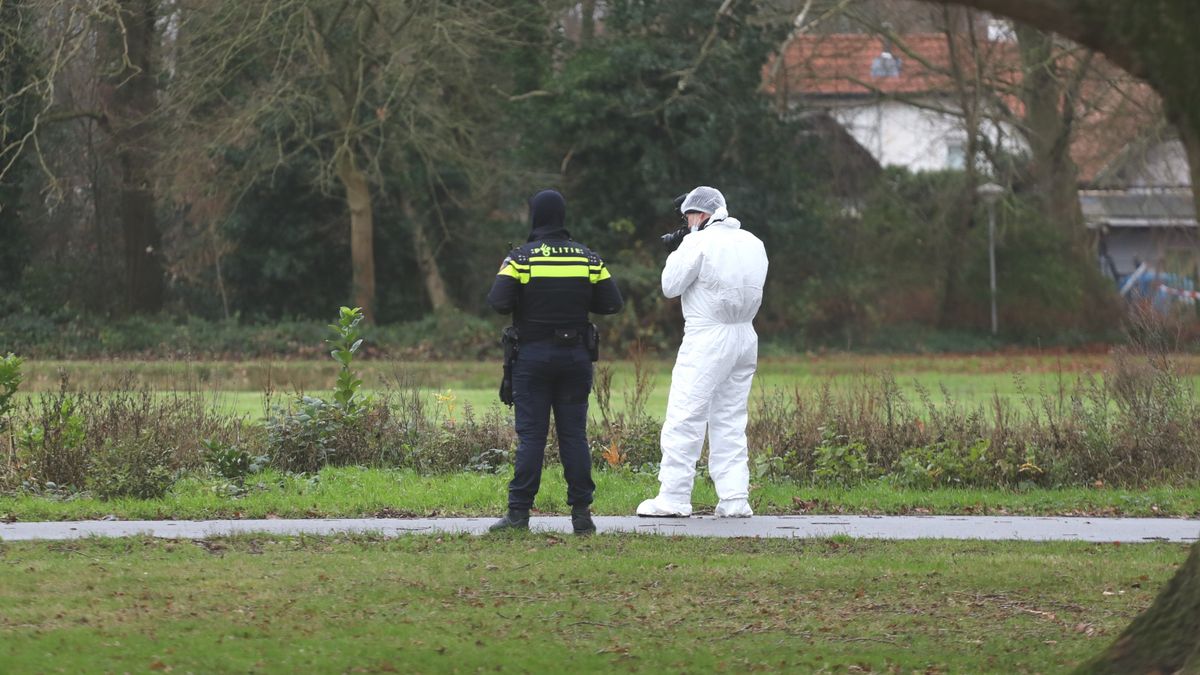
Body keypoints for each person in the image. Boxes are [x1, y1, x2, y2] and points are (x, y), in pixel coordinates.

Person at [486, 189, 623, 534]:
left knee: (532, 437)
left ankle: (518, 514)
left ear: (536, 216)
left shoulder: (521, 258)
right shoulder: (588, 258)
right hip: (576, 357)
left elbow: (498, 303)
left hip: (532, 358)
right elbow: (612, 303)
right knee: (574, 436)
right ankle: (582, 516)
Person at [637, 186, 768, 518]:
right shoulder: (753, 242)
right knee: (730, 419)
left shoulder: (699, 242)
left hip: (708, 336)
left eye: (687, 217)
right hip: (745, 336)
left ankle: (674, 497)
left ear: (699, 215)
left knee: (685, 415)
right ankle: (735, 499)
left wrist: (685, 245)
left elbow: (670, 285)